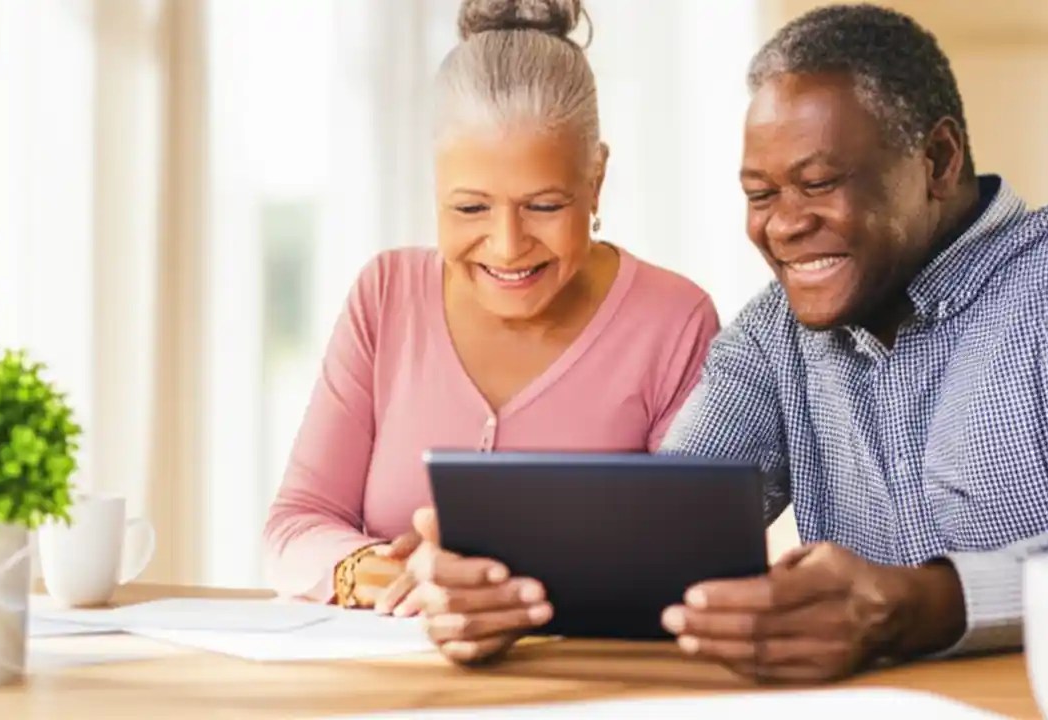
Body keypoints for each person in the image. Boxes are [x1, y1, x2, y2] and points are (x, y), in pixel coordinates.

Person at [403, 3, 1048, 675]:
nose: (784, 225)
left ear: (938, 159)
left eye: (819, 182)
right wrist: (500, 591)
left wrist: (909, 605)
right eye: (760, 194)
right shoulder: (772, 335)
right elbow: (653, 537)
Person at [262, 0, 719, 614]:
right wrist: (398, 577)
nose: (507, 246)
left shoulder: (675, 322)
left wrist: (498, 593)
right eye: (471, 207)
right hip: (389, 672)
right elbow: (296, 525)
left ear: (596, 180)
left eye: (545, 206)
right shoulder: (386, 294)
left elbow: (691, 559)